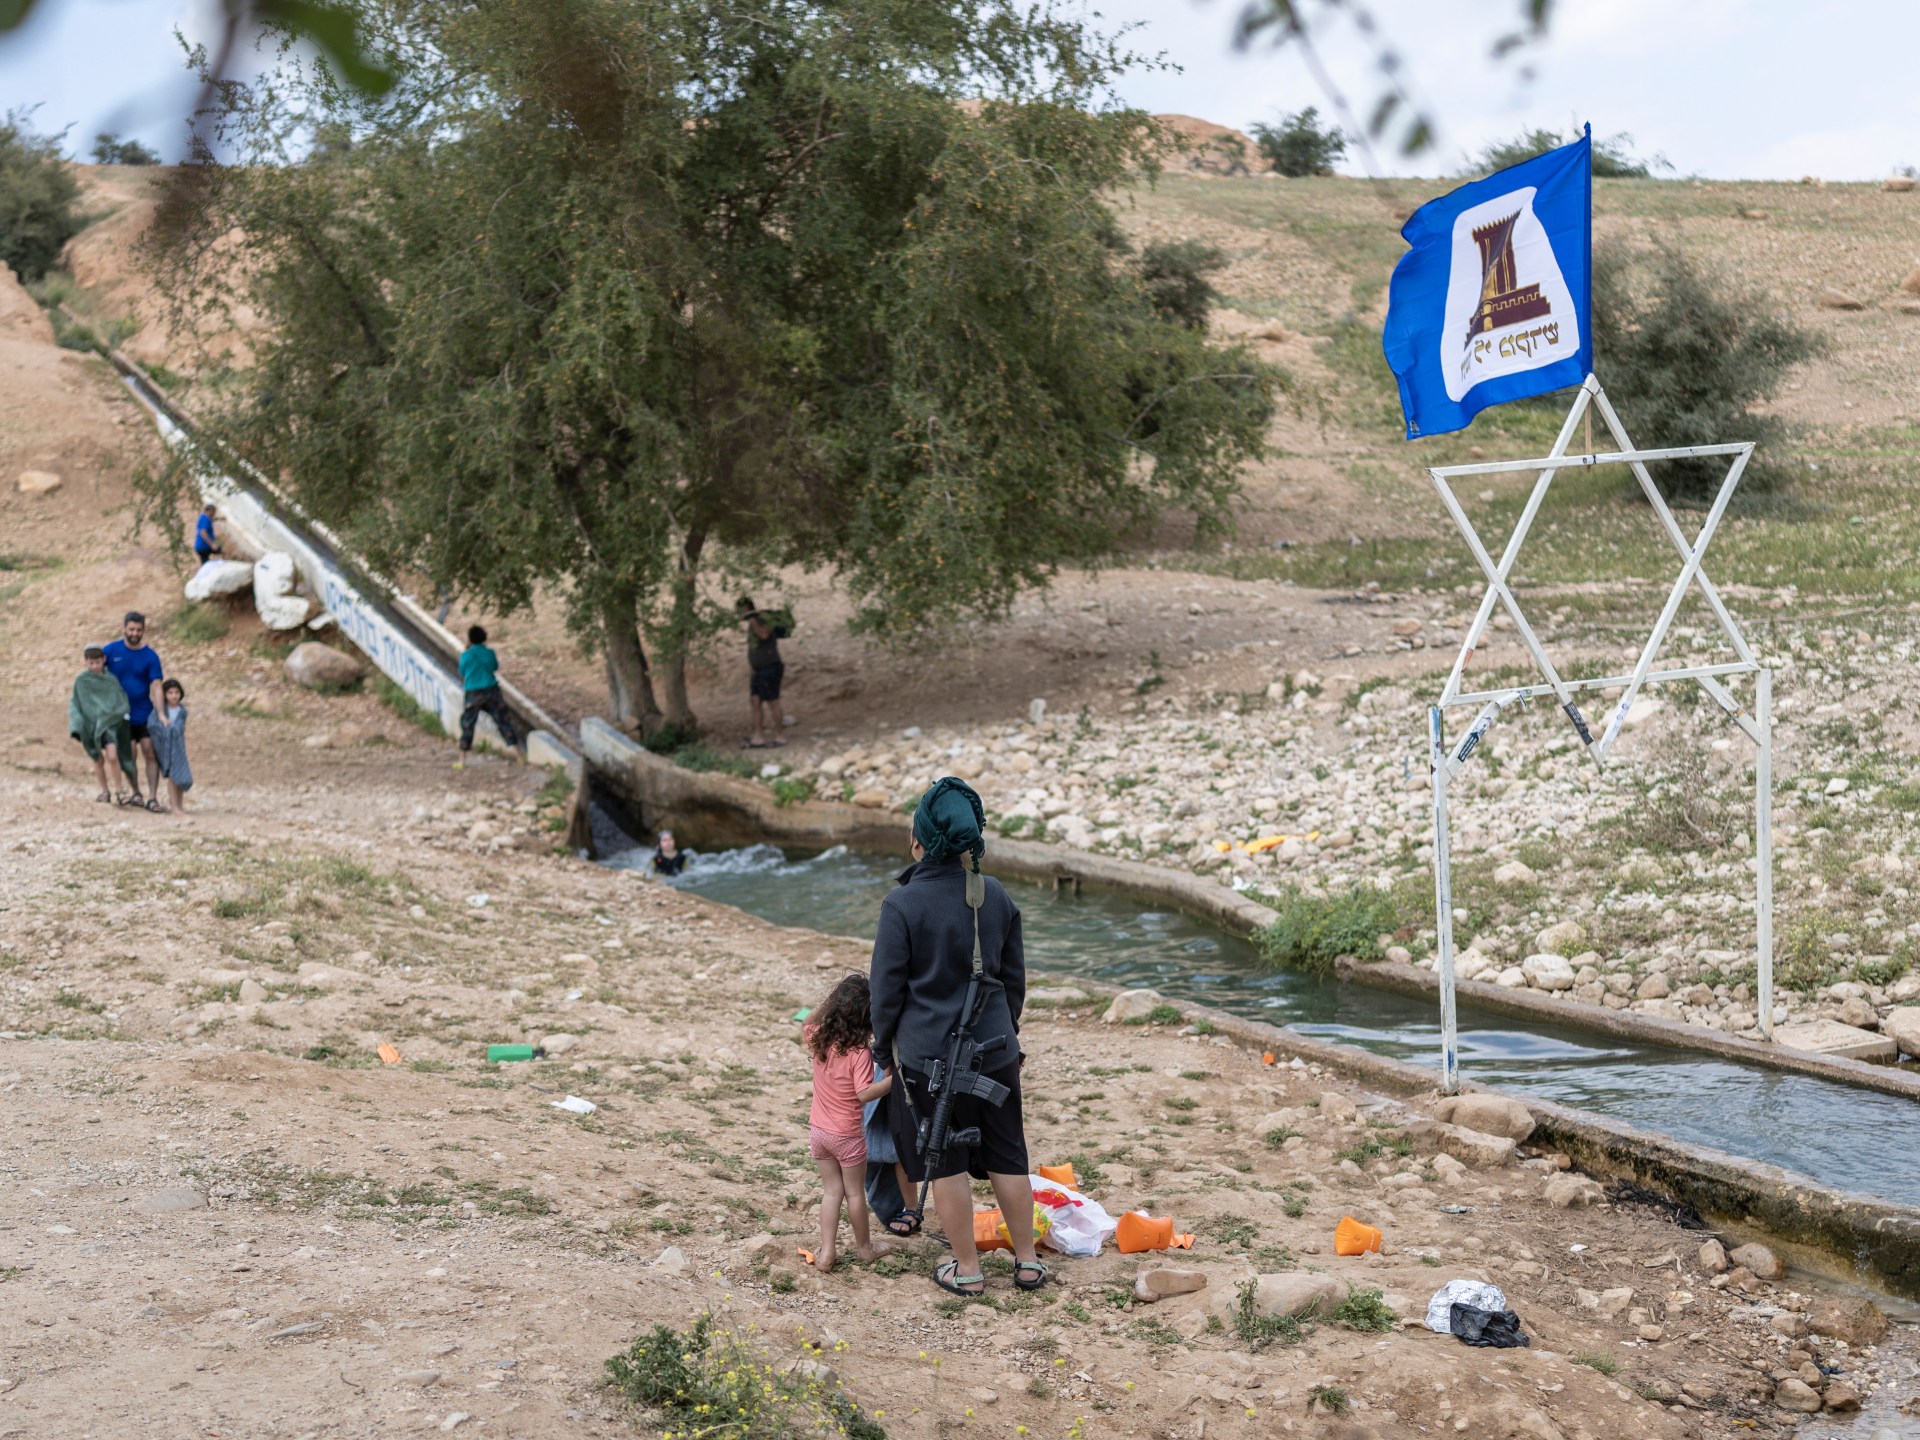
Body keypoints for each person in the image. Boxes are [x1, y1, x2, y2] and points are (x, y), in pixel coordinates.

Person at [871, 776, 1042, 1297]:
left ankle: (966, 1269)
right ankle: (1029, 1262)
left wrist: (883, 1049)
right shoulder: (996, 896)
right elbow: (1014, 982)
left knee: (942, 1160)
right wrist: (1005, 1034)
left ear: (920, 842)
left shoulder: (901, 905)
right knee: (1009, 1154)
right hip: (994, 1052)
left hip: (928, 1057)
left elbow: (885, 994)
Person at [803, 973, 893, 1272]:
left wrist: (833, 998)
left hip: (818, 1132)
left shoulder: (818, 1038)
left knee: (831, 1192)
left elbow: (806, 1019)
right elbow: (864, 1093)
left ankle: (827, 1252)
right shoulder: (860, 1052)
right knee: (854, 1193)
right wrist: (894, 1081)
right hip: (847, 1136)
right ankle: (865, 1249)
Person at [102, 611, 166, 812]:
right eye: (131, 629)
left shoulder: (150, 656)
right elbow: (95, 672)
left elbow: (156, 685)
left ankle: (153, 797)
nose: (135, 633)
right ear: (124, 629)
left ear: (143, 631)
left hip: (144, 712)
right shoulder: (111, 651)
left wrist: (161, 713)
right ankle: (136, 792)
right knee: (128, 753)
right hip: (120, 714)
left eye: (139, 630)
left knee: (150, 751)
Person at [68, 645, 138, 805]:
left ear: (104, 660)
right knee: (97, 759)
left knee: (112, 756)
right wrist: (77, 723)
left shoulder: (111, 680)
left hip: (109, 726)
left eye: (98, 662)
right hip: (91, 725)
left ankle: (120, 791)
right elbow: (76, 703)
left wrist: (120, 715)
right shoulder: (82, 681)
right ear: (86, 662)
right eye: (91, 663)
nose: (95, 666)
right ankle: (104, 791)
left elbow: (120, 700)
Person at [454, 624, 526, 768]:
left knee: (468, 724)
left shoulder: (466, 655)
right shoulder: (489, 653)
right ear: (483, 638)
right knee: (503, 721)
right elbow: (494, 667)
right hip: (491, 691)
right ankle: (520, 756)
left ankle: (461, 761)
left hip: (473, 692)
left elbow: (462, 671)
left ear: (470, 638)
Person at [735, 596, 790, 748]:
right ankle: (758, 736)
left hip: (770, 667)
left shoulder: (762, 619)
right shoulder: (751, 623)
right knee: (755, 701)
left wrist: (752, 618)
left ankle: (780, 736)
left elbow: (764, 634)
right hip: (758, 669)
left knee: (773, 701)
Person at [150, 678, 194, 814]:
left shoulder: (182, 711)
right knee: (173, 777)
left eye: (176, 692)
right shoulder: (160, 710)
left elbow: (180, 727)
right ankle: (174, 806)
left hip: (179, 748)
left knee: (180, 776)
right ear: (164, 695)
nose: (174, 696)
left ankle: (179, 805)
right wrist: (166, 729)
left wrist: (169, 727)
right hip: (165, 748)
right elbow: (152, 725)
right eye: (170, 693)